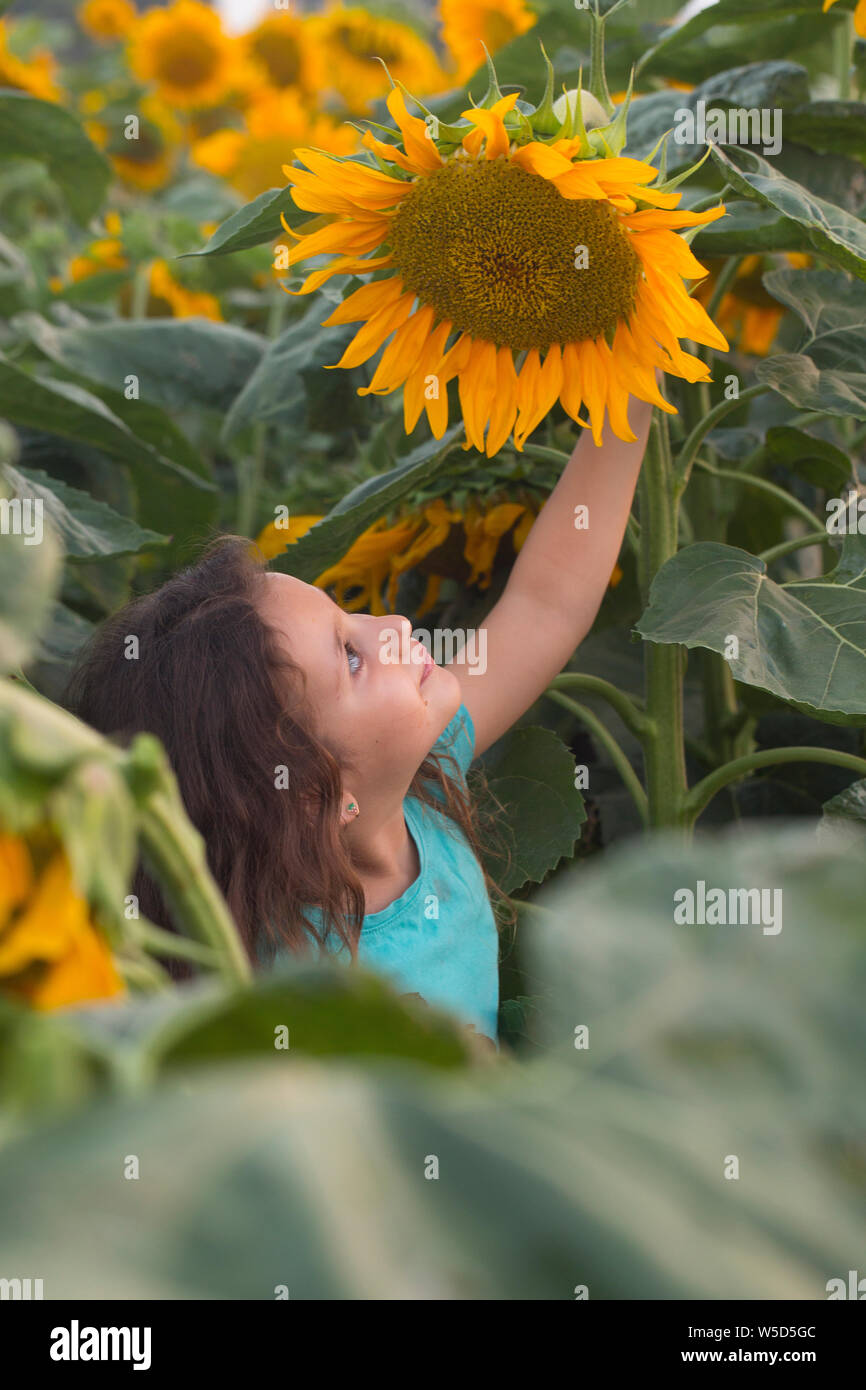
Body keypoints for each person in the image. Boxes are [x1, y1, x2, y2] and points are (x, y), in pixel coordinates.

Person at [65, 396, 654, 1048]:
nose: (394, 626)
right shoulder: (296, 1002)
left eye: (349, 615)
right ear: (317, 792)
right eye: (350, 656)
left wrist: (629, 392)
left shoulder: (421, 783)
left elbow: (547, 605)